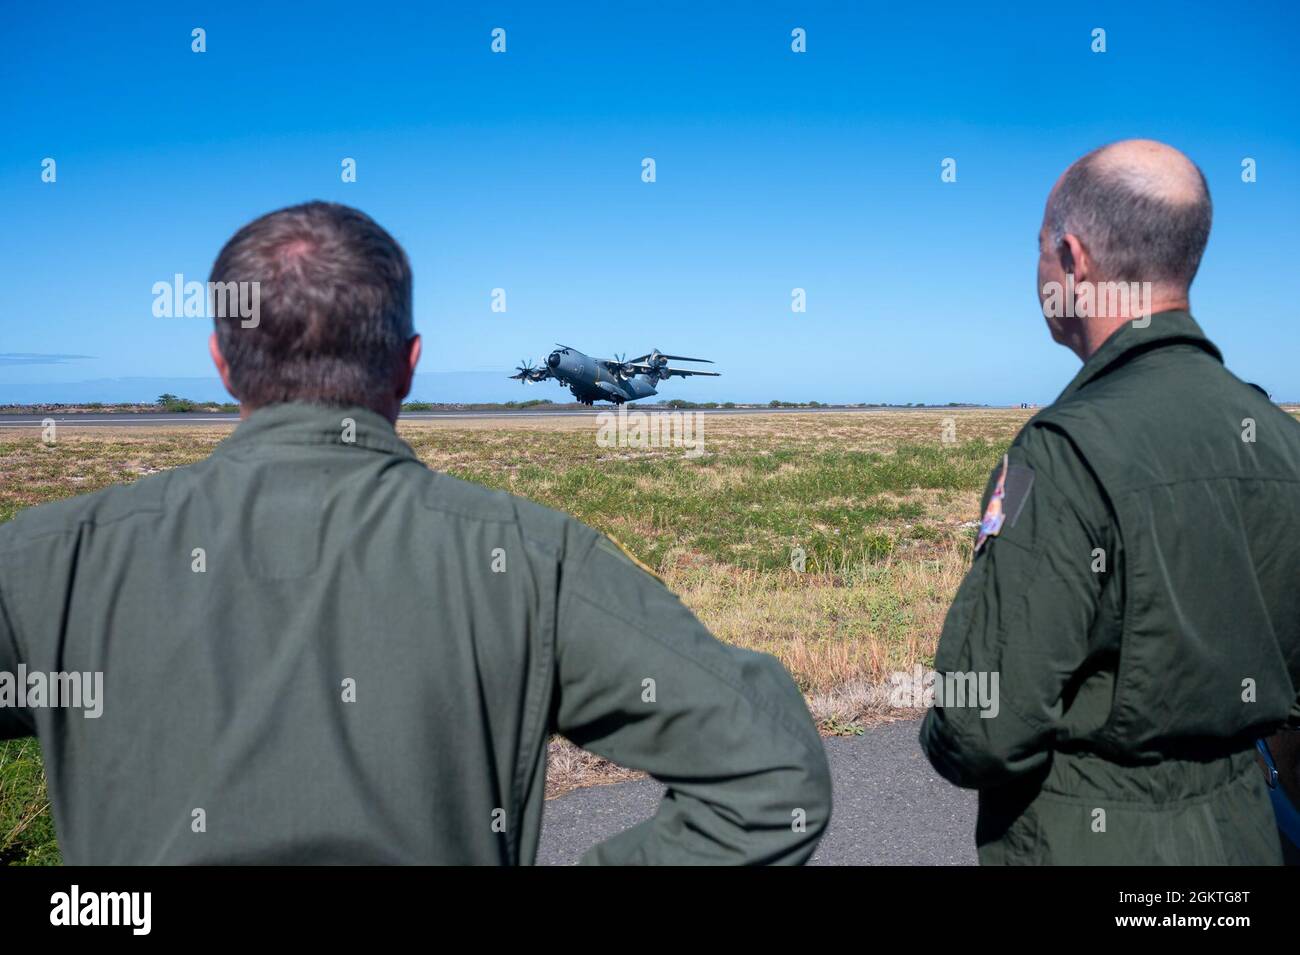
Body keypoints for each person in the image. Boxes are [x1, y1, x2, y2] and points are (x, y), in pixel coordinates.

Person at [0, 201, 831, 865]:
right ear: (409, 362)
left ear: (219, 362)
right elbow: (773, 773)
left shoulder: (50, 558)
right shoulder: (529, 559)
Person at [920, 140, 1300, 864]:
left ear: (1072, 259)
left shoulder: (1064, 453)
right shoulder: (1282, 445)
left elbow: (982, 725)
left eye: (1038, 250)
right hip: (1246, 835)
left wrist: (941, 730)